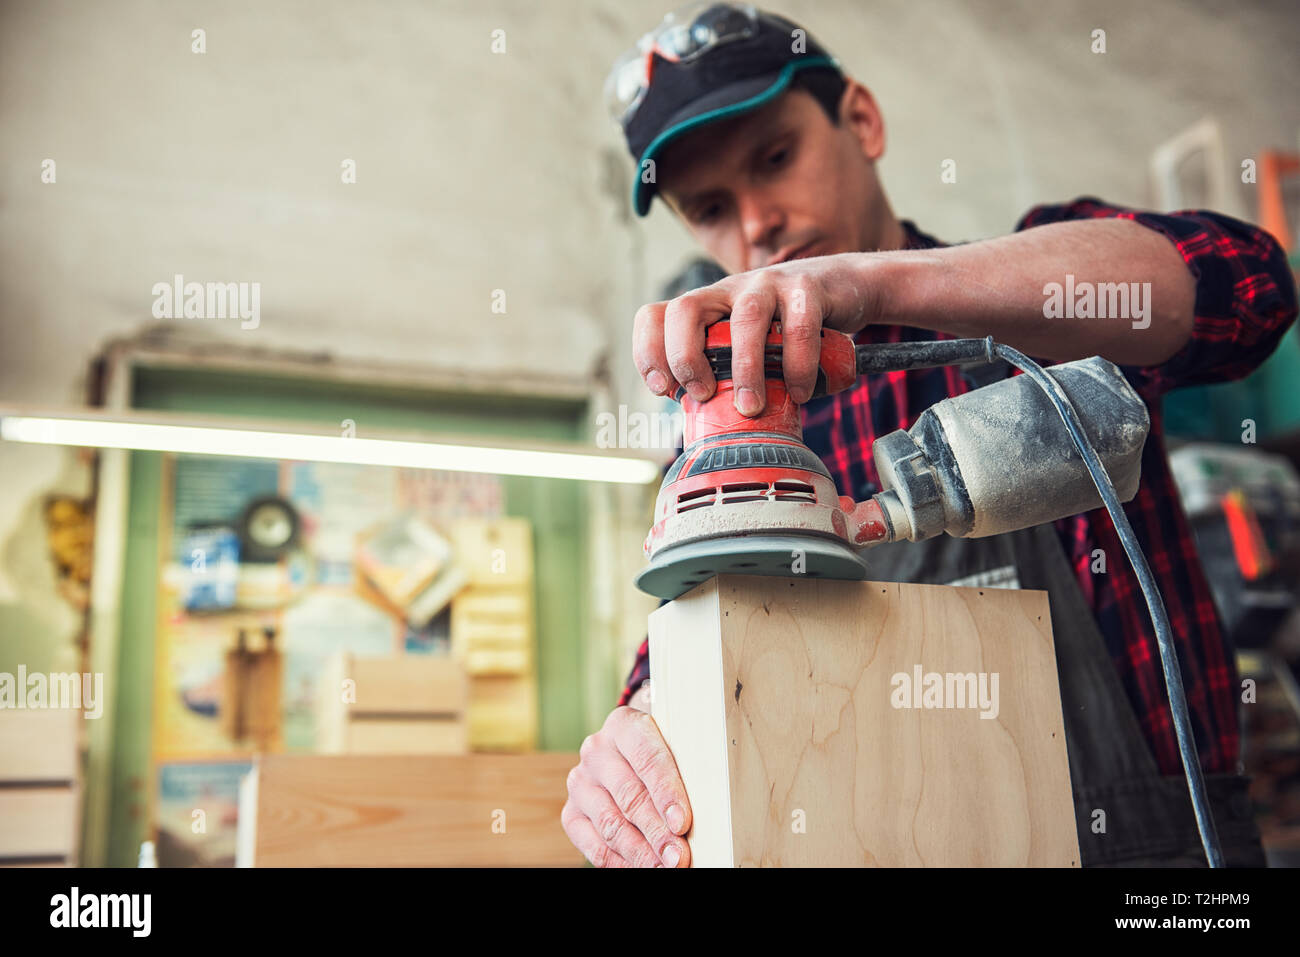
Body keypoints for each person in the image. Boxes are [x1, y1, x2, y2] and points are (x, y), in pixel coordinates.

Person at [561, 2, 1298, 868]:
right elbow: (683, 644)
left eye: (776, 157)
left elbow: (1248, 289)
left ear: (861, 121)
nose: (756, 223)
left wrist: (870, 285)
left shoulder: (1040, 300)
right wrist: (630, 743)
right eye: (710, 206)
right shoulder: (761, 442)